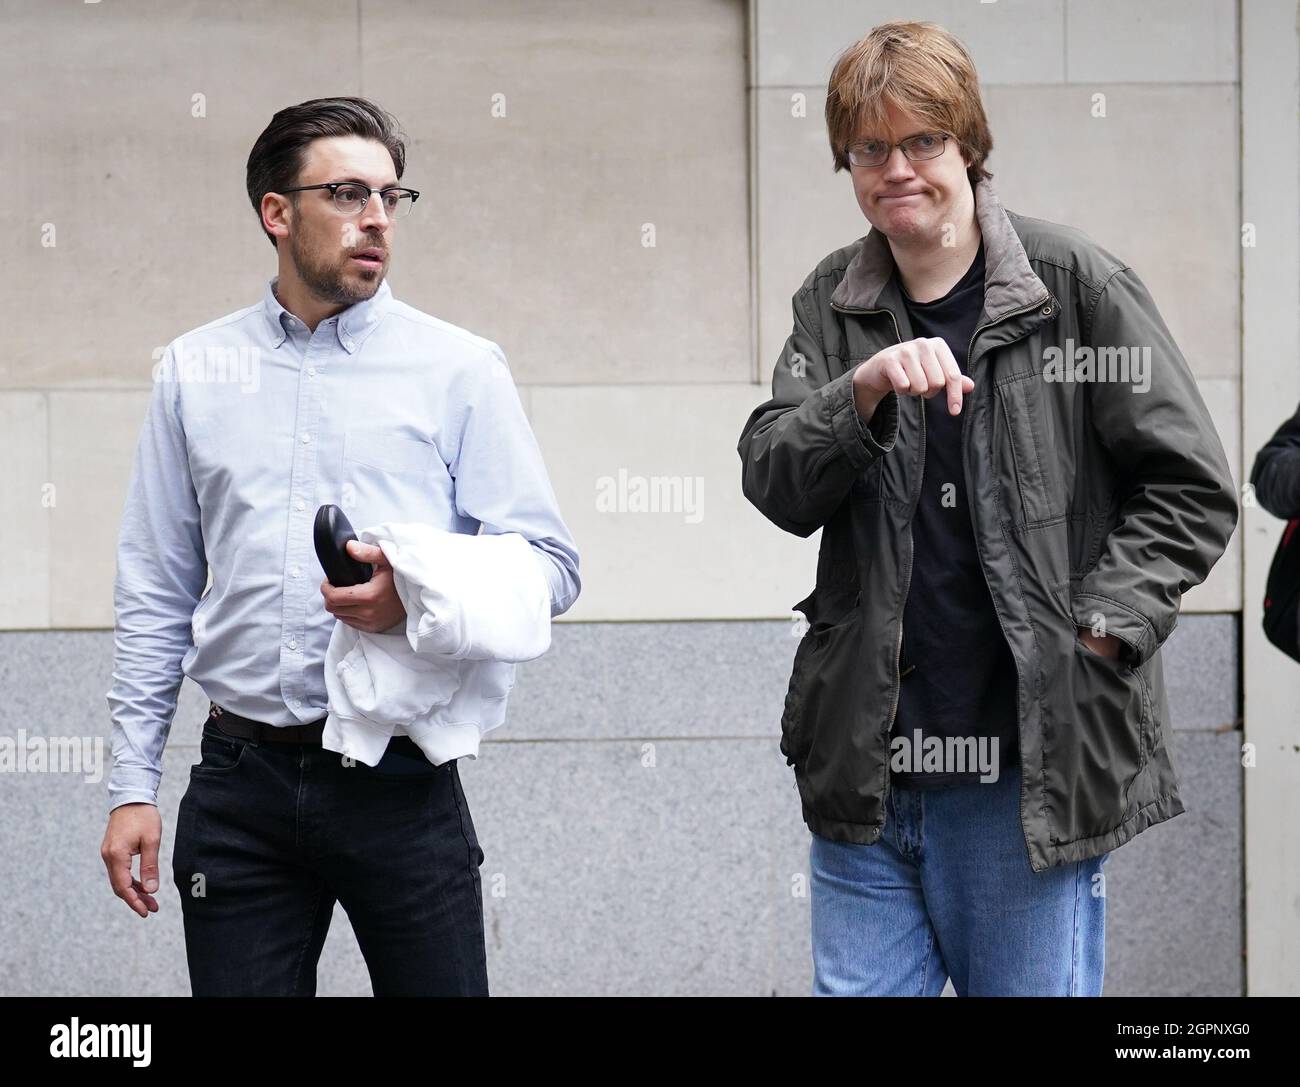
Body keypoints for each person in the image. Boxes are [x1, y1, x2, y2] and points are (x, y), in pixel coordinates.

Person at [737, 21, 1238, 996]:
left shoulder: (1073, 286)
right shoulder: (830, 306)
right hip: (867, 773)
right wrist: (862, 391)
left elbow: (1188, 488)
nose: (896, 169)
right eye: (870, 148)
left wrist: (1097, 634)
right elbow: (773, 477)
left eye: (920, 140)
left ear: (965, 142)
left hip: (1023, 773)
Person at [99, 97, 580, 996]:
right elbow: (155, 592)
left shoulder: (460, 368)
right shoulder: (195, 372)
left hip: (401, 780)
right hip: (239, 786)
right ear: (276, 213)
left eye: (392, 197)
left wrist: (419, 593)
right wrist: (131, 786)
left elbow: (552, 566)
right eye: (349, 193)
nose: (377, 220)